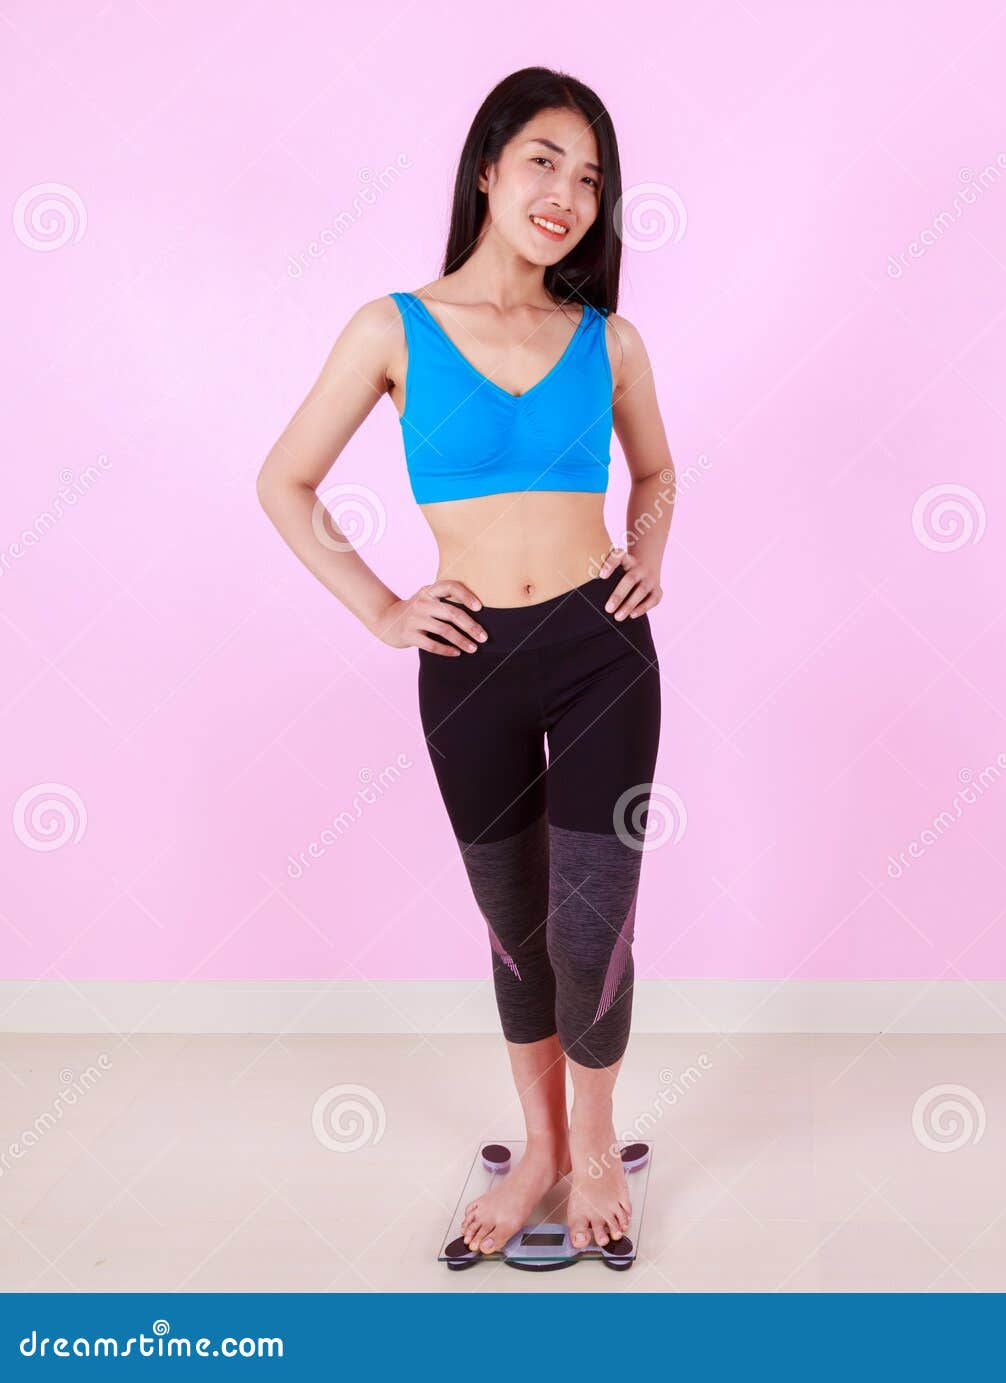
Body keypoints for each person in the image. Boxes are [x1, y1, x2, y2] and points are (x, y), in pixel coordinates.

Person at [255, 66, 675, 1257]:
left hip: (603, 653)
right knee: (515, 923)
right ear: (486, 168)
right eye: (544, 161)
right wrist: (384, 608)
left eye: (590, 179)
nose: (567, 195)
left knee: (592, 922)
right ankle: (534, 1145)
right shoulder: (393, 327)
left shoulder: (609, 338)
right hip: (471, 658)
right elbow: (285, 481)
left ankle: (591, 1144)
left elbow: (657, 474)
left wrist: (646, 556)